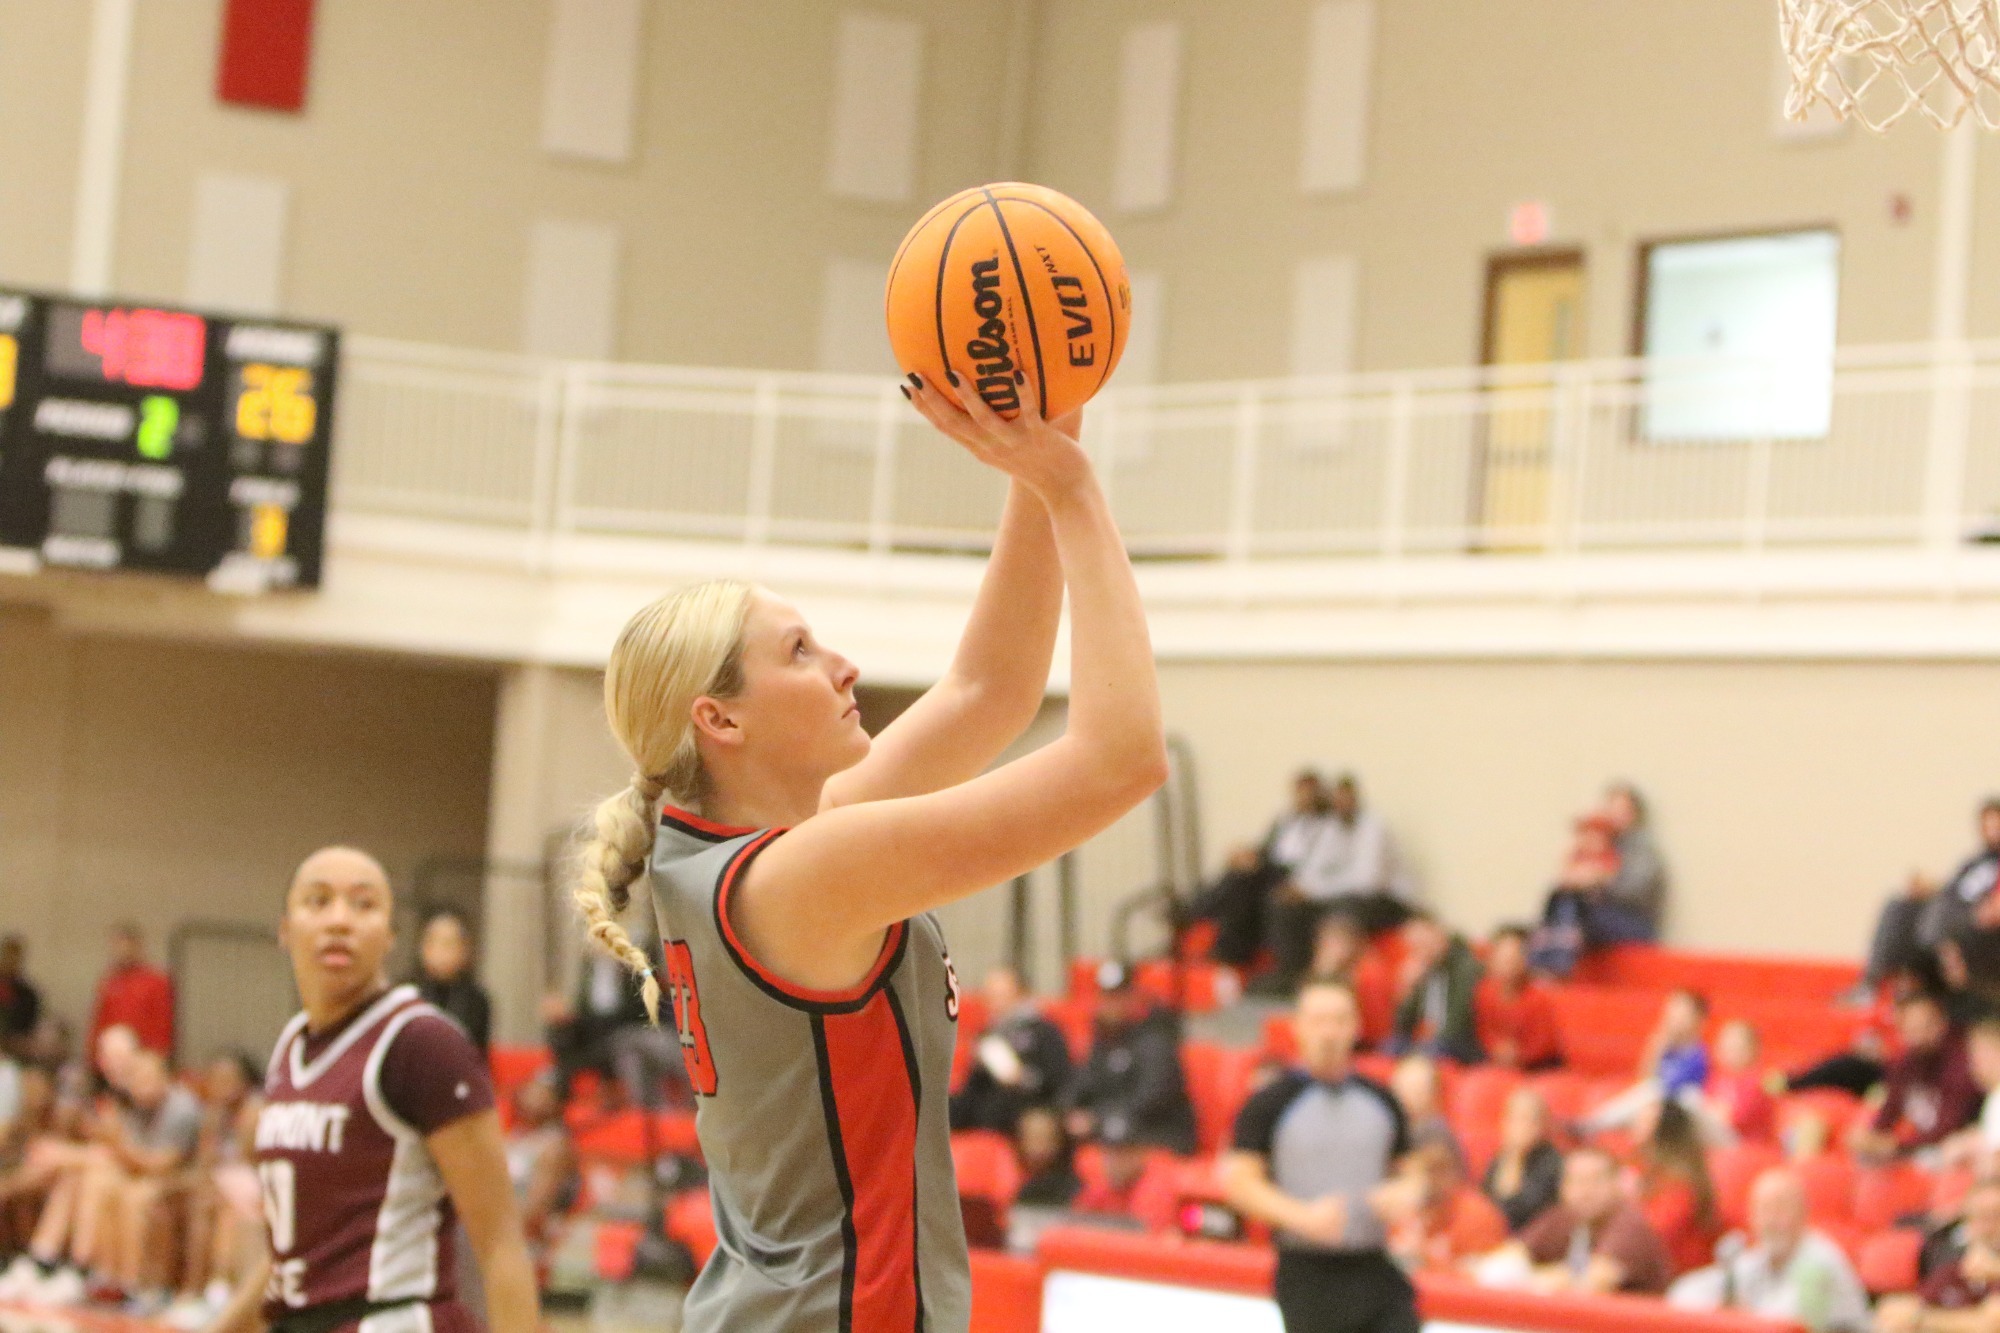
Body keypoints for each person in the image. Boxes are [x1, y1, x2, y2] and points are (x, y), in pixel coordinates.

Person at [571, 377, 1167, 1332]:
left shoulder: (749, 854)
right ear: (719, 717)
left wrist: (1041, 443)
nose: (842, 665)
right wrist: (1077, 492)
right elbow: (1120, 760)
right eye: (800, 651)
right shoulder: (804, 878)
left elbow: (989, 688)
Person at [201, 846, 539, 1333]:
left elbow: (502, 1243)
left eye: (364, 905)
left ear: (390, 937)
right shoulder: (290, 1045)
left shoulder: (422, 1043)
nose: (340, 920)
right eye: (318, 901)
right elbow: (292, 1255)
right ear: (285, 930)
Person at [1221, 981, 1420, 1333]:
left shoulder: (1382, 1100)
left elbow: (1413, 1173)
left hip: (1373, 1264)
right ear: (1298, 1026)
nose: (1329, 1033)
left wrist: (1403, 1193)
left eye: (1340, 1020)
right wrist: (1302, 1217)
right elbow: (1239, 1181)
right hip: (1306, 1270)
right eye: (1319, 1021)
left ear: (1356, 1027)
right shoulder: (1269, 1103)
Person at [1666, 1167, 1869, 1332]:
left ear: (1803, 1213)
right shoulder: (1760, 1258)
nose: (1771, 1220)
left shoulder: (1820, 1263)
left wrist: (1732, 1316)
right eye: (1764, 1210)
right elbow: (1685, 1292)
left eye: (1781, 1209)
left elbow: (1785, 1324)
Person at [1266, 777, 1415, 987]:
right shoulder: (1331, 828)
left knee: (1340, 912)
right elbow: (1316, 869)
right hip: (1342, 896)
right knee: (1287, 907)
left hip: (1384, 899)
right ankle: (1291, 975)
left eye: (1346, 800)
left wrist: (1314, 891)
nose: (1341, 806)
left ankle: (1330, 976)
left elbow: (1367, 880)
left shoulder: (1373, 827)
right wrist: (1301, 888)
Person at [1849, 798, 2000, 1005]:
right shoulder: (1974, 861)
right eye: (1987, 825)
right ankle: (1870, 983)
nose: (1993, 831)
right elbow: (1952, 890)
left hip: (1975, 920)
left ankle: (1926, 960)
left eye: (1996, 824)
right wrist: (1929, 888)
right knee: (1899, 906)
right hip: (1948, 911)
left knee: (1939, 910)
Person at [1472, 1146, 1671, 1296]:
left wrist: (1539, 1279)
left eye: (1596, 1180)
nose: (1585, 1191)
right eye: (1576, 1181)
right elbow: (1511, 1253)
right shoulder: (1565, 1217)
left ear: (1616, 1184)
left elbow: (1592, 1286)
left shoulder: (1629, 1225)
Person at [162, 1051, 264, 1329]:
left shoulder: (254, 1111)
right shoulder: (214, 1113)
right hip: (224, 1186)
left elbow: (253, 1164)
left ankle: (216, 1292)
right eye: (215, 1079)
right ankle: (190, 1291)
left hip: (256, 1186)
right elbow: (206, 1162)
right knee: (199, 1201)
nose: (220, 1085)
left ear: (245, 1082)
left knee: (221, 1206)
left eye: (227, 1079)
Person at [1190, 770, 1330, 970]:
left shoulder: (1326, 825)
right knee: (1239, 877)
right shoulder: (1285, 821)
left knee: (1245, 876)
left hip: (1293, 875)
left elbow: (1315, 863)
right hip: (1269, 869)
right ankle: (1225, 945)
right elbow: (1267, 848)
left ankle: (1194, 910)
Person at [1530, 785, 1666, 976]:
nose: (1614, 816)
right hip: (1596, 914)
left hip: (1632, 922)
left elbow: (1635, 892)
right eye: (1611, 809)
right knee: (1559, 898)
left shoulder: (1642, 851)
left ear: (1635, 815)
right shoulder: (1599, 843)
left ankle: (1558, 964)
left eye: (1622, 811)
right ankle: (1544, 960)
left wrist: (1599, 880)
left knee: (1578, 911)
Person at [1064, 961, 1198, 1155]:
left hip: (1158, 1132)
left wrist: (1097, 1118)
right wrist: (1066, 1110)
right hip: (1114, 1127)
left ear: (1134, 996)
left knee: (1115, 1136)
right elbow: (1083, 1082)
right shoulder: (1103, 1038)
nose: (1111, 1004)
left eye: (1119, 996)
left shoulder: (1156, 1038)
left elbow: (1152, 1098)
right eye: (1106, 996)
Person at [543, 937, 689, 1112]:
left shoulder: (637, 966)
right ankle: (560, 1098)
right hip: (602, 1040)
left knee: (632, 1049)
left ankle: (656, 1113)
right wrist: (566, 1016)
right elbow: (586, 1012)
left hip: (639, 1031)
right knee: (562, 1035)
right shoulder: (589, 971)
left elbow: (641, 1010)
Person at [1852, 988, 1980, 1163]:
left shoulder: (1962, 1064)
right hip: (1918, 1148)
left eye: (1926, 1026)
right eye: (1911, 1028)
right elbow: (1889, 1112)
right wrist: (1871, 1137)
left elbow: (1948, 1127)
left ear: (1942, 1022)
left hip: (1959, 1148)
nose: (1918, 1035)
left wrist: (1896, 1146)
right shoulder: (1903, 1065)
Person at [949, 965, 1073, 1136]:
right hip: (985, 1116)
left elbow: (1059, 1082)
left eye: (1001, 995)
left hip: (1027, 1113)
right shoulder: (986, 1036)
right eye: (990, 996)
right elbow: (972, 1091)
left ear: (1021, 994)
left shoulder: (1044, 1031)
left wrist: (1023, 1079)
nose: (994, 1003)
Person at [1579, 987, 1710, 1134]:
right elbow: (1643, 1081)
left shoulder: (1698, 1054)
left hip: (1684, 1114)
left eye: (1681, 1012)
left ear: (1698, 1018)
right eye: (1671, 1010)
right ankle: (1595, 1125)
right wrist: (1656, 1048)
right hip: (1658, 1110)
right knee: (1648, 1097)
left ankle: (1594, 1124)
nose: (1673, 1017)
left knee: (1665, 1093)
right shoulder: (1666, 1049)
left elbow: (1670, 1089)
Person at [1876, 1178, 2000, 1333]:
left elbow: (1989, 1326)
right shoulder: (1954, 1265)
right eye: (1980, 1216)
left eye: (1995, 1216)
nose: (1988, 1226)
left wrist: (1921, 1319)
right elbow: (1907, 1308)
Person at [1631, 1096, 1723, 1279]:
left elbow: (1653, 1236)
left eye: (1643, 1122)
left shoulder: (1680, 1183)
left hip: (1682, 1279)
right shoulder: (1642, 1170)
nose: (1634, 1126)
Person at [1388, 1139, 1508, 1273]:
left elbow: (1483, 1277)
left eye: (1433, 1171)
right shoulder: (1399, 1210)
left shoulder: (1478, 1215)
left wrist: (1427, 1259)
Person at [1388, 910, 1483, 1064]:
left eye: (1423, 943)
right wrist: (1408, 989)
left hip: (1461, 1043)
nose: (1420, 951)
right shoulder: (1426, 969)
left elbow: (1457, 1023)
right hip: (1430, 1041)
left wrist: (1421, 1046)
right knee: (1391, 1046)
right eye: (1415, 947)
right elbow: (1402, 1025)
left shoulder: (1466, 968)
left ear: (1438, 934)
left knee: (1425, 1052)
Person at [503, 1077, 578, 1258]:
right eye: (531, 1090)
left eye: (542, 1092)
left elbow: (539, 1204)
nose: (533, 1096)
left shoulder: (556, 1145)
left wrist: (498, 1232)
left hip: (529, 1237)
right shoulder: (513, 1137)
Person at [1472, 925, 1561, 1071]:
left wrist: (1518, 1055)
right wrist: (1496, 1048)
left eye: (1514, 957)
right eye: (1502, 956)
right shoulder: (1484, 991)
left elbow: (1544, 1045)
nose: (1508, 963)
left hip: (1536, 1068)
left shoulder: (1539, 998)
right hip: (1493, 1061)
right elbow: (1483, 1030)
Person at [1301, 914, 1397, 1046]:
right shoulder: (1330, 967)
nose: (1332, 949)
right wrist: (1322, 971)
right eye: (1327, 943)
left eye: (1337, 942)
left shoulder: (1370, 972)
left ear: (1353, 942)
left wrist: (1327, 971)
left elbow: (1374, 1026)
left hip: (1369, 1042)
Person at [1482, 1086, 1564, 1233]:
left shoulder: (1552, 1163)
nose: (1519, 1126)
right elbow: (1484, 1203)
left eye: (1527, 1118)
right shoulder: (1499, 1158)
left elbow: (1514, 1214)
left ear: (1543, 1124)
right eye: (1513, 1118)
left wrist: (1515, 1157)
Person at [1071, 1121, 1177, 1232]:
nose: (1114, 1161)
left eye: (1122, 1153)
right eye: (1109, 1152)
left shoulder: (1156, 1183)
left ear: (1140, 1153)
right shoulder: (1102, 1181)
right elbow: (1074, 1225)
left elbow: (1142, 1235)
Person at [87, 924, 174, 1058]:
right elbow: (99, 1023)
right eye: (117, 945)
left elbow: (163, 1025)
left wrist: (157, 1056)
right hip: (110, 1058)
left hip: (143, 1057)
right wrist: (93, 1056)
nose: (121, 950)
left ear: (137, 946)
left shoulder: (157, 982)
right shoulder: (109, 981)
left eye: (125, 945)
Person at [413, 909, 492, 1055]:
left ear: (464, 951)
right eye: (434, 942)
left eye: (449, 944)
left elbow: (477, 1056)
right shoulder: (407, 993)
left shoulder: (477, 1001)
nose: (440, 952)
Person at [1701, 1019, 1777, 1146]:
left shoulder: (1758, 1082)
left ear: (1752, 1049)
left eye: (1735, 1047)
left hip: (1747, 1147)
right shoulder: (1717, 1078)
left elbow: (1734, 1118)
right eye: (1725, 1045)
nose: (1727, 1051)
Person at [1388, 1054, 1464, 1170]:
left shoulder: (1436, 1131)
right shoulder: (1391, 1125)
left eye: (1418, 1090)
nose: (1408, 1096)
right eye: (1404, 1087)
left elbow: (1427, 1168)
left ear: (1433, 1094)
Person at [1012, 1105, 1082, 1208]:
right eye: (1033, 1137)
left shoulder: (1071, 1189)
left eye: (1045, 1138)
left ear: (1059, 1143)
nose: (1038, 1146)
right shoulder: (1004, 1177)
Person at [0, 936, 43, 1058]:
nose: (10, 961)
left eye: (14, 957)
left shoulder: (29, 995)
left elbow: (29, 1029)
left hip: (16, 1052)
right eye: (7, 956)